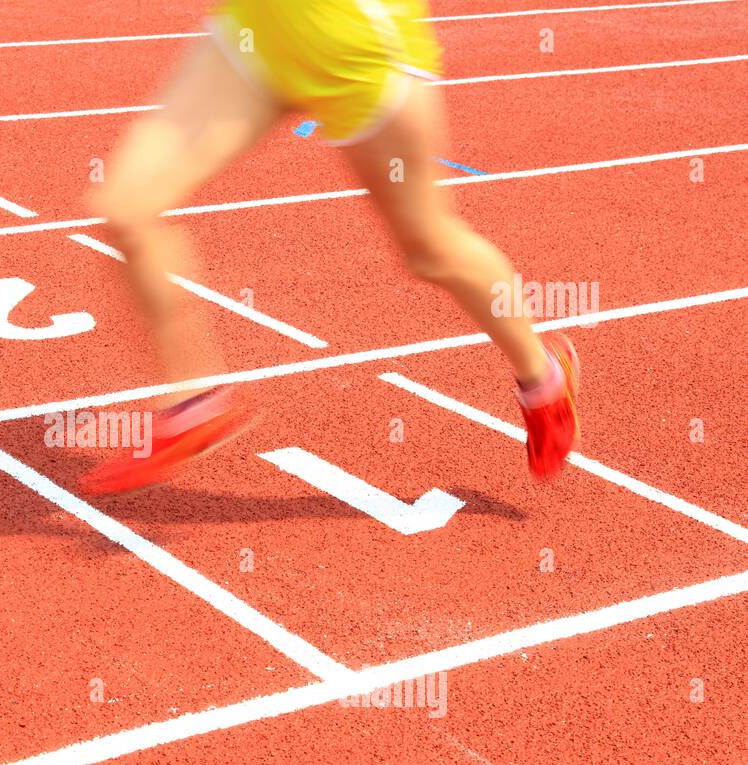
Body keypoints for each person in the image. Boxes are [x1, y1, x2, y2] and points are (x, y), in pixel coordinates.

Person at [79, 0, 579, 495]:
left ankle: (542, 377)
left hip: (360, 55)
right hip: (257, 35)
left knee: (428, 247)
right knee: (128, 207)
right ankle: (195, 402)